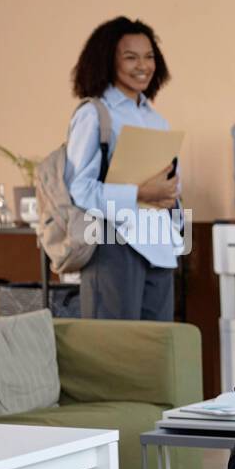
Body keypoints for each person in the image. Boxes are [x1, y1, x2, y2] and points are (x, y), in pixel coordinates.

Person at [67, 16, 182, 320]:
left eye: (149, 57)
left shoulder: (157, 120)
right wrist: (140, 192)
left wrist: (170, 195)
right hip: (113, 245)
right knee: (115, 352)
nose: (142, 65)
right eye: (130, 57)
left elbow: (168, 182)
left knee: (156, 352)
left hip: (158, 245)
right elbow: (79, 188)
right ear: (108, 61)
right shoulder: (94, 115)